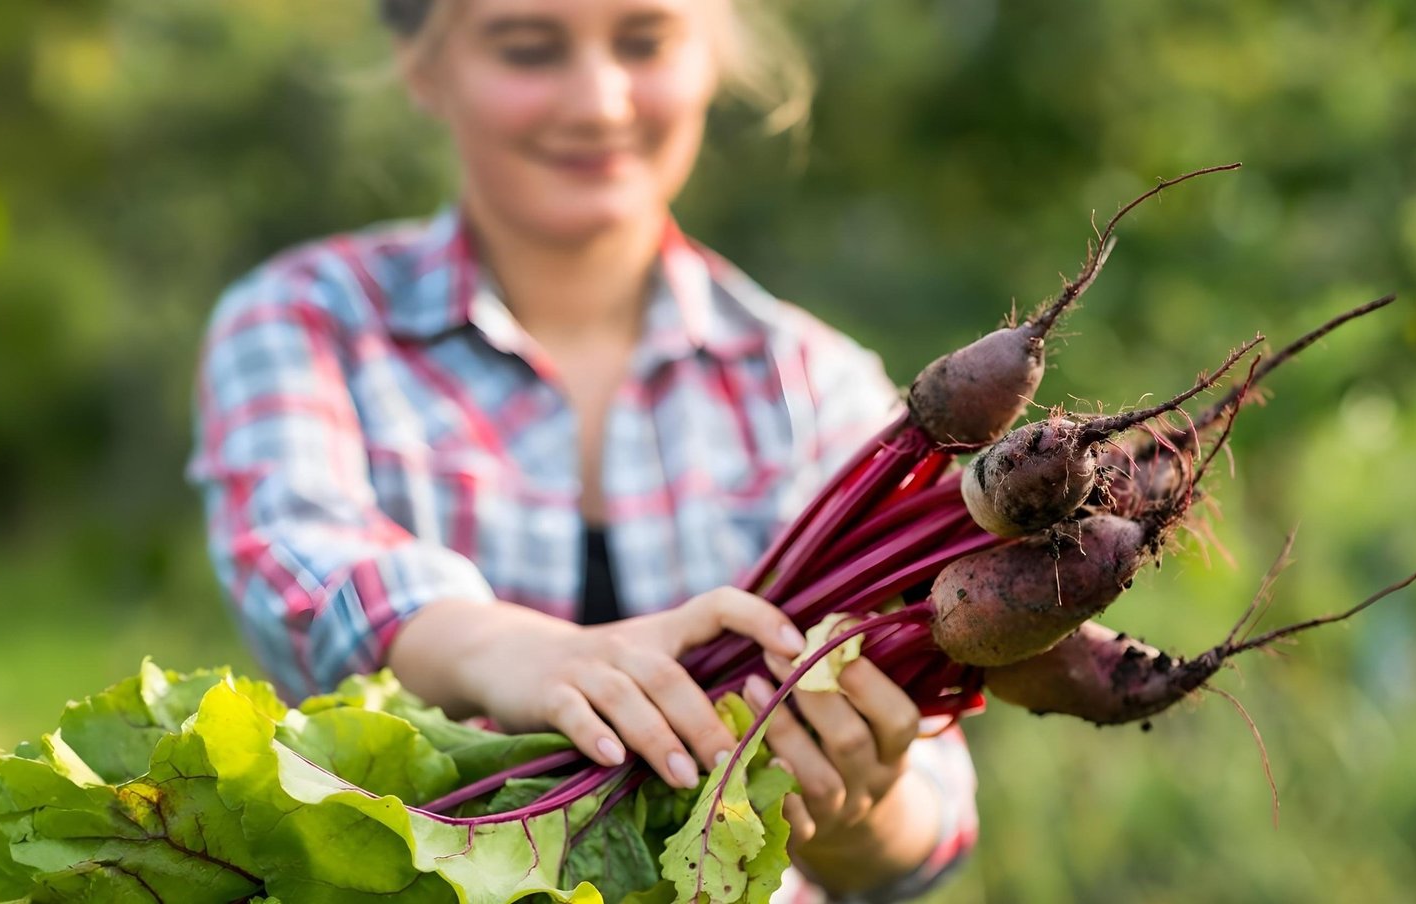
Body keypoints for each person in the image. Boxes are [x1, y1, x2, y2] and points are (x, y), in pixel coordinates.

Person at [188, 1, 978, 900]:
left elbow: (933, 809)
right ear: (424, 67)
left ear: (711, 55)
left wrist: (860, 818)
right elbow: (300, 557)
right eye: (529, 49)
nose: (600, 101)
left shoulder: (816, 386)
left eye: (645, 43)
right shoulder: (305, 321)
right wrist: (508, 651)